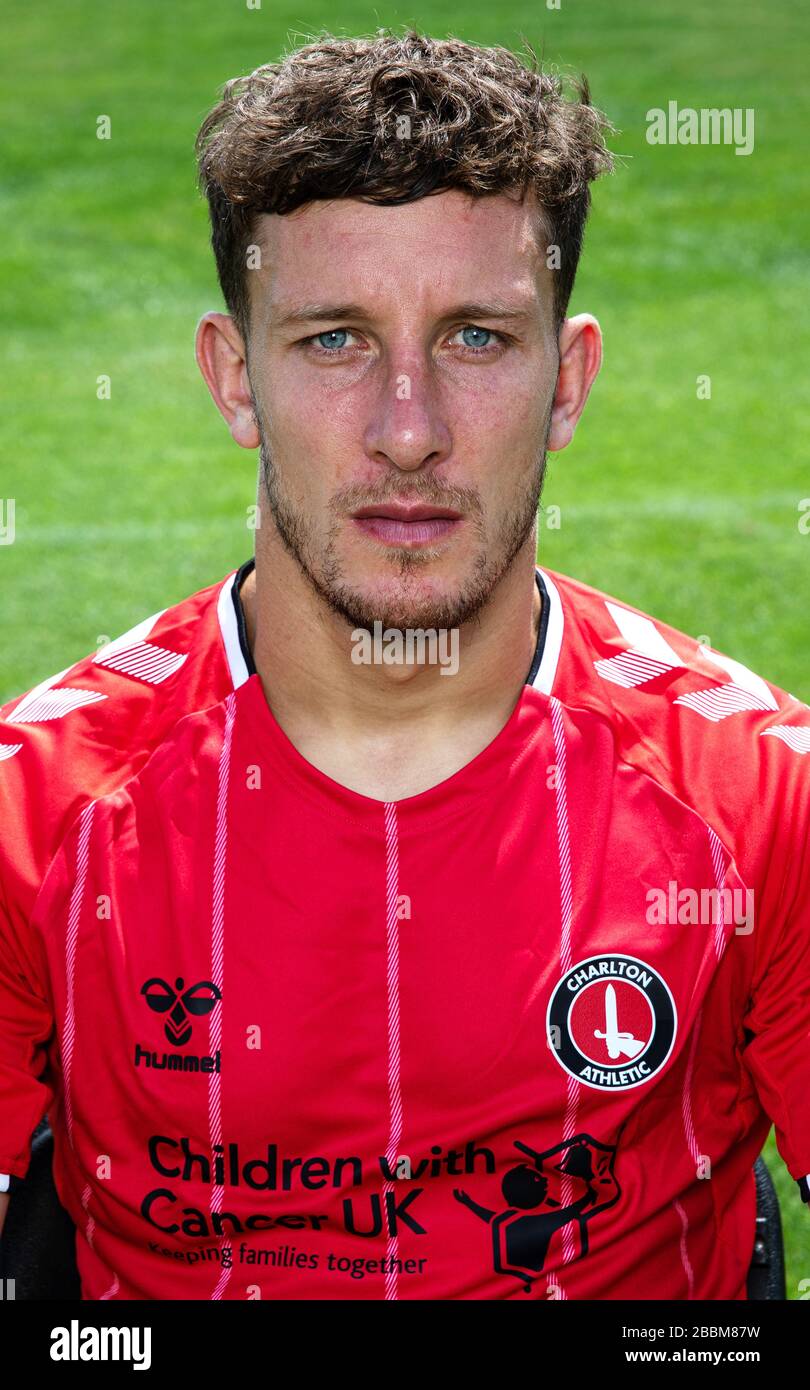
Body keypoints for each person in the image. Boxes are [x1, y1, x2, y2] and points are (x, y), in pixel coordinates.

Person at [0, 30, 807, 1301]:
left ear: (568, 381)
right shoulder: (33, 809)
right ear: (235, 379)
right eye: (334, 341)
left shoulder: (764, 803)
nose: (410, 429)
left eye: (478, 338)